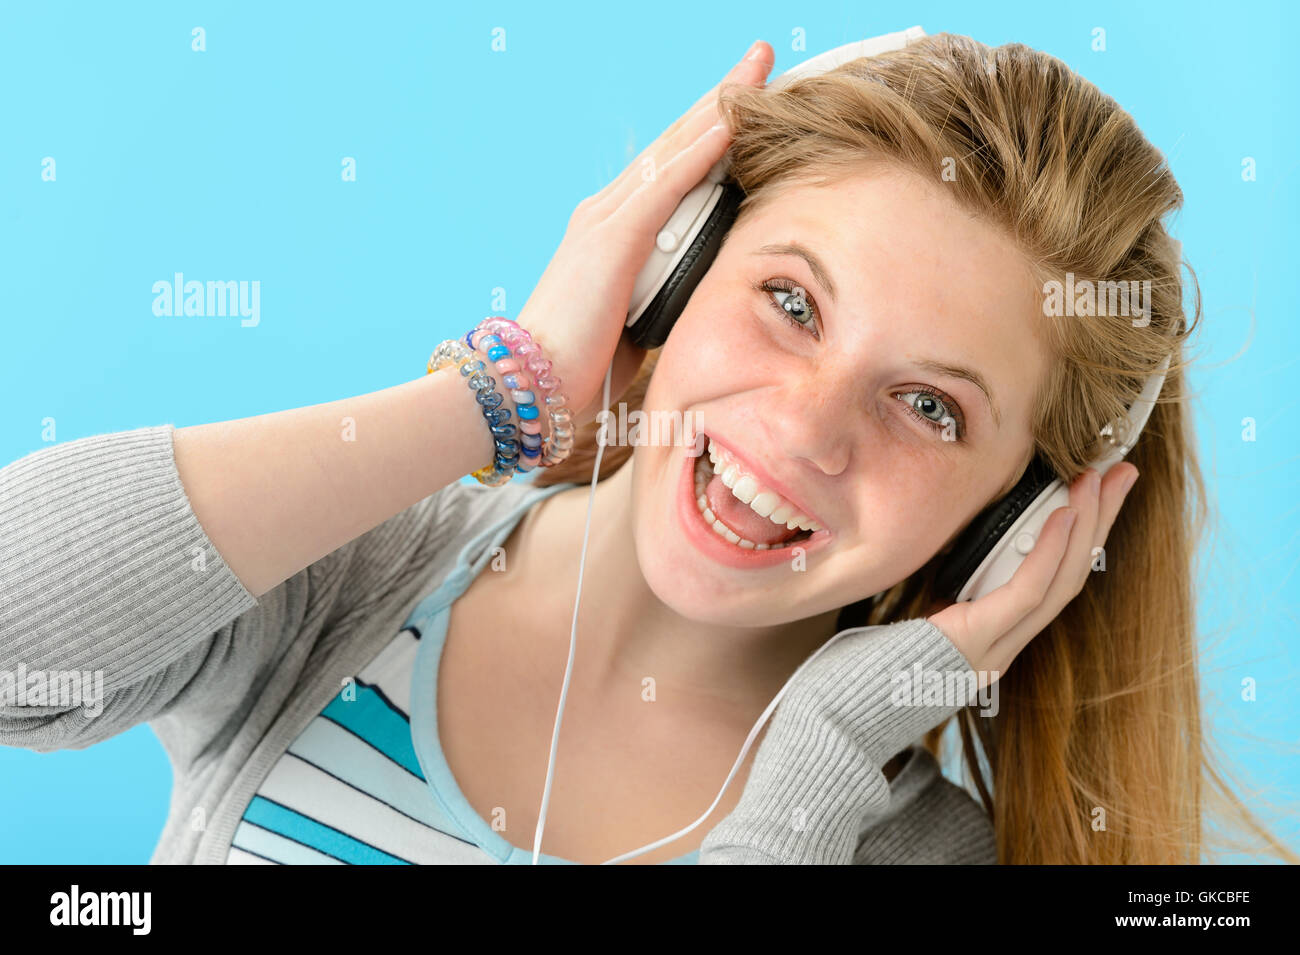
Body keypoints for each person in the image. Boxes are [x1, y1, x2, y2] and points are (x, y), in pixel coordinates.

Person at [0, 34, 1291, 865]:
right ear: (671, 271)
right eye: (789, 303)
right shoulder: (352, 572)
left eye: (931, 407)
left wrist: (827, 750)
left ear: (1018, 524)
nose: (802, 429)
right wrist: (498, 397)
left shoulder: (910, 851)